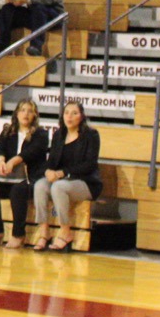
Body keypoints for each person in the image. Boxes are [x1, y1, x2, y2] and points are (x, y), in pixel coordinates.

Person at [36, 99, 102, 251]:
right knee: (40, 185)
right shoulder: (59, 134)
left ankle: (66, 232)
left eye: (74, 113)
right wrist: (48, 171)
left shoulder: (91, 135)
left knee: (59, 187)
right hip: (63, 180)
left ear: (82, 116)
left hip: (86, 182)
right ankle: (44, 231)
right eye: (66, 113)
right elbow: (51, 161)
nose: (69, 117)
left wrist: (62, 172)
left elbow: (90, 164)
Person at [0, 98, 48, 249]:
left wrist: (12, 162)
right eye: (23, 110)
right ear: (17, 114)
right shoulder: (8, 131)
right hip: (9, 179)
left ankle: (18, 235)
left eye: (30, 111)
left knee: (18, 190)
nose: (26, 114)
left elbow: (30, 153)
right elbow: (0, 150)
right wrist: (1, 162)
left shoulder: (41, 134)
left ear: (35, 116)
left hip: (30, 180)